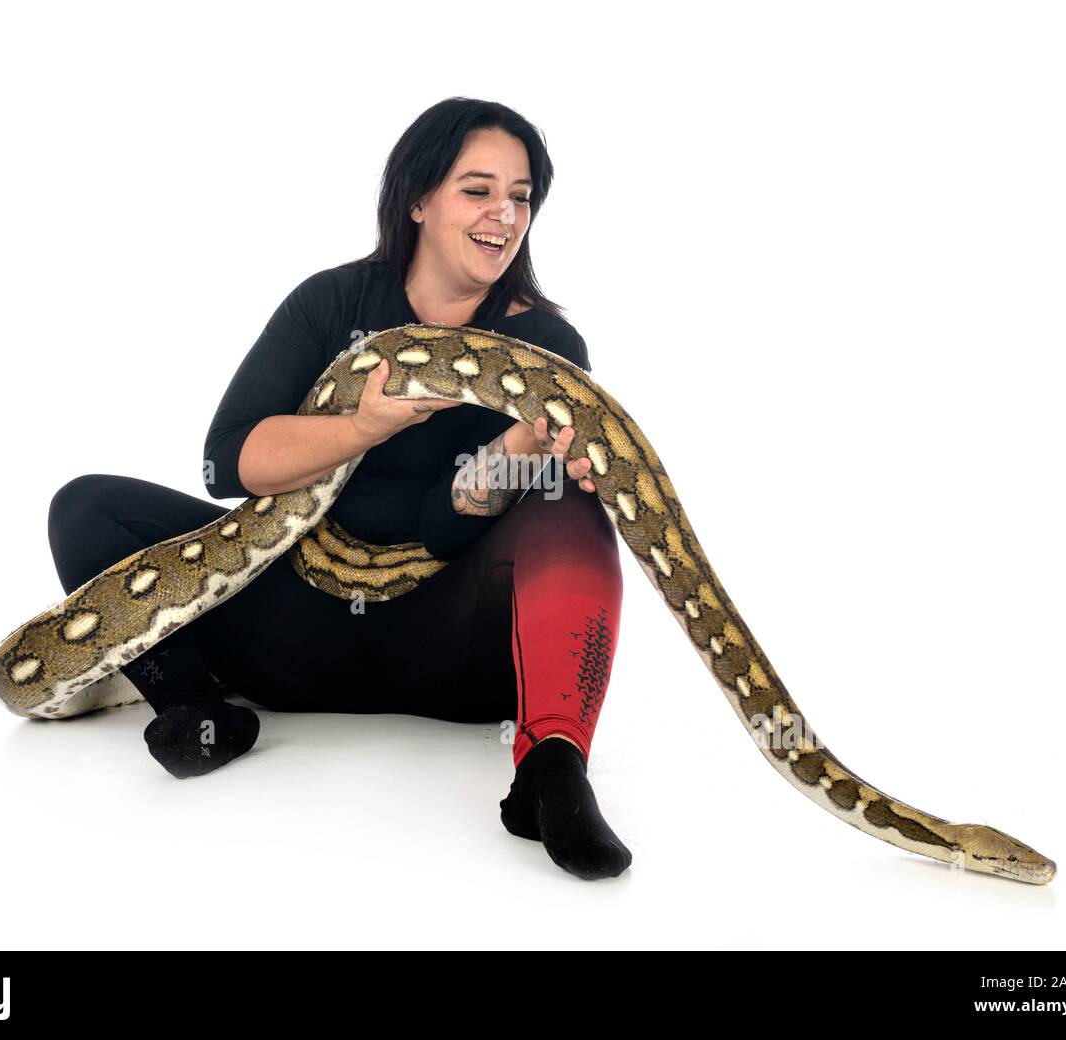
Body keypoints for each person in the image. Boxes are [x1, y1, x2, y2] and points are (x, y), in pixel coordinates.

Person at [46, 98, 630, 880]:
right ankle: (196, 708)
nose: (505, 213)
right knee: (87, 504)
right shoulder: (333, 303)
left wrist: (523, 447)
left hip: (450, 653)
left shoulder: (546, 345)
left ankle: (551, 768)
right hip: (294, 636)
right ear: (418, 199)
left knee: (571, 501)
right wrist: (361, 427)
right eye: (478, 189)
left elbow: (442, 526)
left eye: (521, 196)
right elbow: (226, 465)